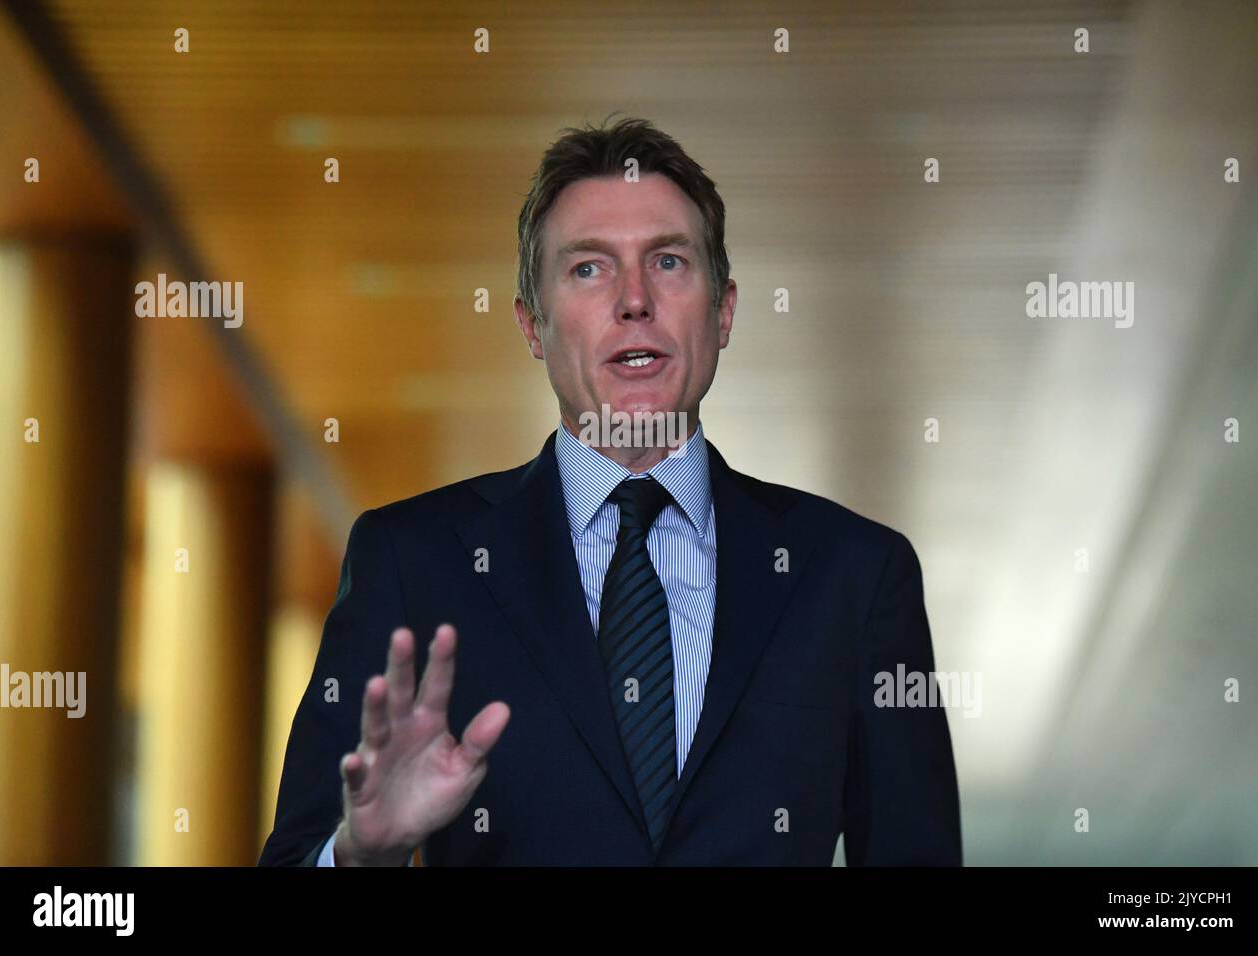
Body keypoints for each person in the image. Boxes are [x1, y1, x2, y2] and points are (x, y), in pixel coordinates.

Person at [258, 116, 962, 866]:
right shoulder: (414, 563)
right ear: (533, 325)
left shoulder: (855, 576)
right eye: (588, 268)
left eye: (668, 261)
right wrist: (360, 853)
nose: (634, 300)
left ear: (723, 311)